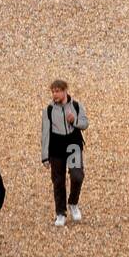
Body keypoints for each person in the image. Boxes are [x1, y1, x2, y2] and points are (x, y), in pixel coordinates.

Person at [41, 79, 88, 226]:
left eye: (57, 91)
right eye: (53, 91)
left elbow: (85, 123)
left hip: (73, 144)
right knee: (58, 180)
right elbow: (45, 133)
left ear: (65, 90)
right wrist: (45, 156)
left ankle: (73, 203)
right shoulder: (48, 110)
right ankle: (60, 213)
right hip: (56, 146)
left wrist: (74, 121)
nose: (54, 94)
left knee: (77, 175)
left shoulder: (76, 105)